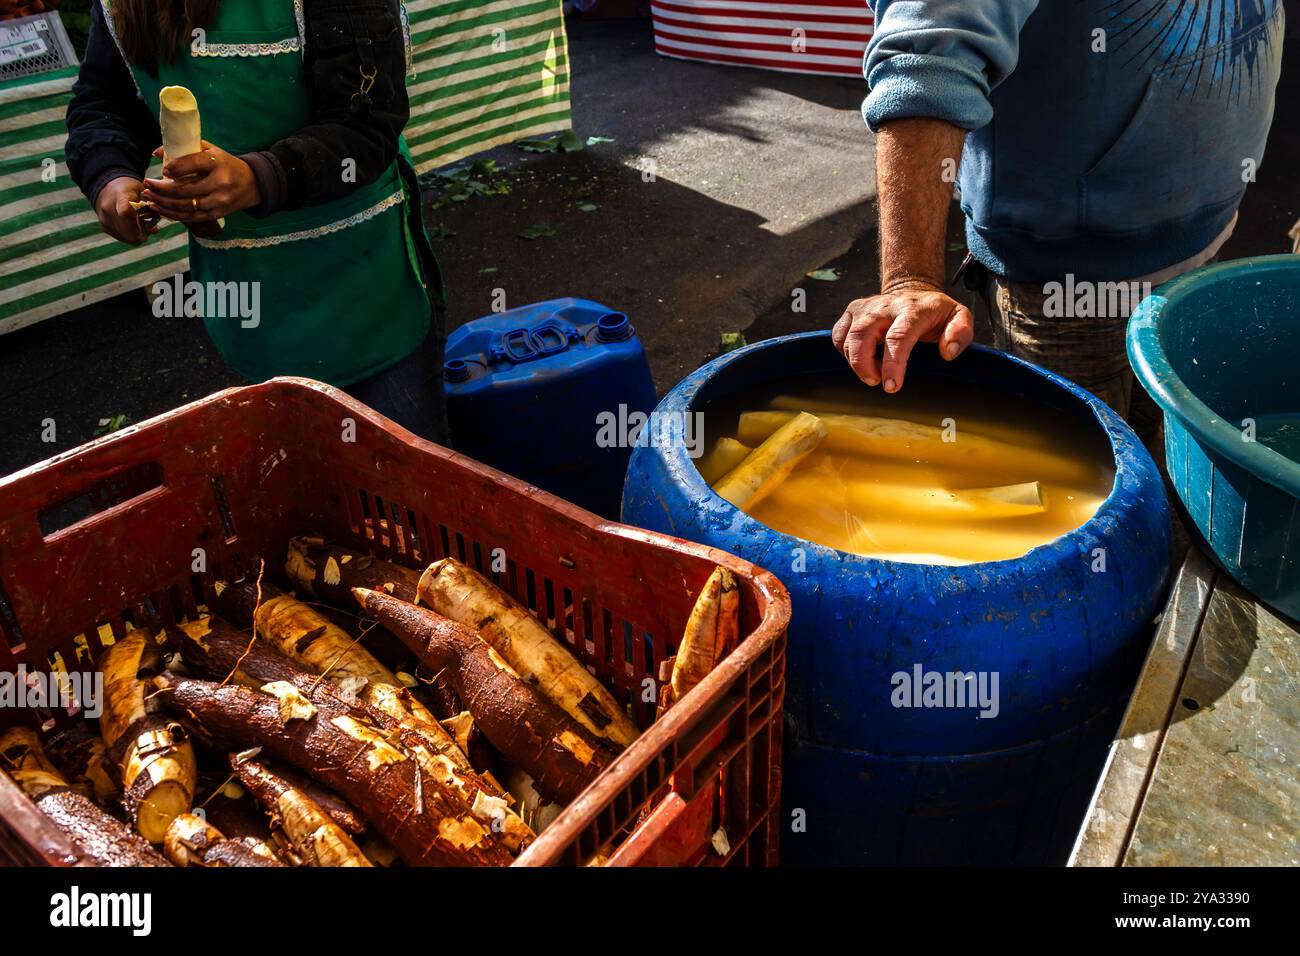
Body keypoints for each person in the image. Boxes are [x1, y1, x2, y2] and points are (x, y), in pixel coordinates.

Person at [833, 0, 1285, 419]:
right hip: (1066, 290)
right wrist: (909, 279)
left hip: (1208, 239)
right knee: (1085, 482)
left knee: (1171, 454)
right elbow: (927, 63)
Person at [65, 0, 447, 441]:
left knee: (403, 479)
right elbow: (103, 102)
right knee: (301, 469)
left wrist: (256, 178)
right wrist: (109, 177)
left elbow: (367, 122)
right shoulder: (122, 6)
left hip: (367, 297)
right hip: (251, 307)